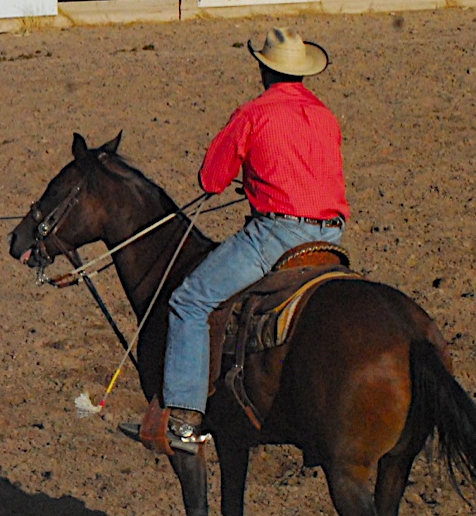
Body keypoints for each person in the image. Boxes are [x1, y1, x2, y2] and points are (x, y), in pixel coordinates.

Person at [146, 28, 347, 454]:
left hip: (277, 234)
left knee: (190, 301)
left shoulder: (254, 113)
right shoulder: (326, 115)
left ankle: (183, 419)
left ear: (263, 69)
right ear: (302, 72)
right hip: (331, 235)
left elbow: (211, 180)